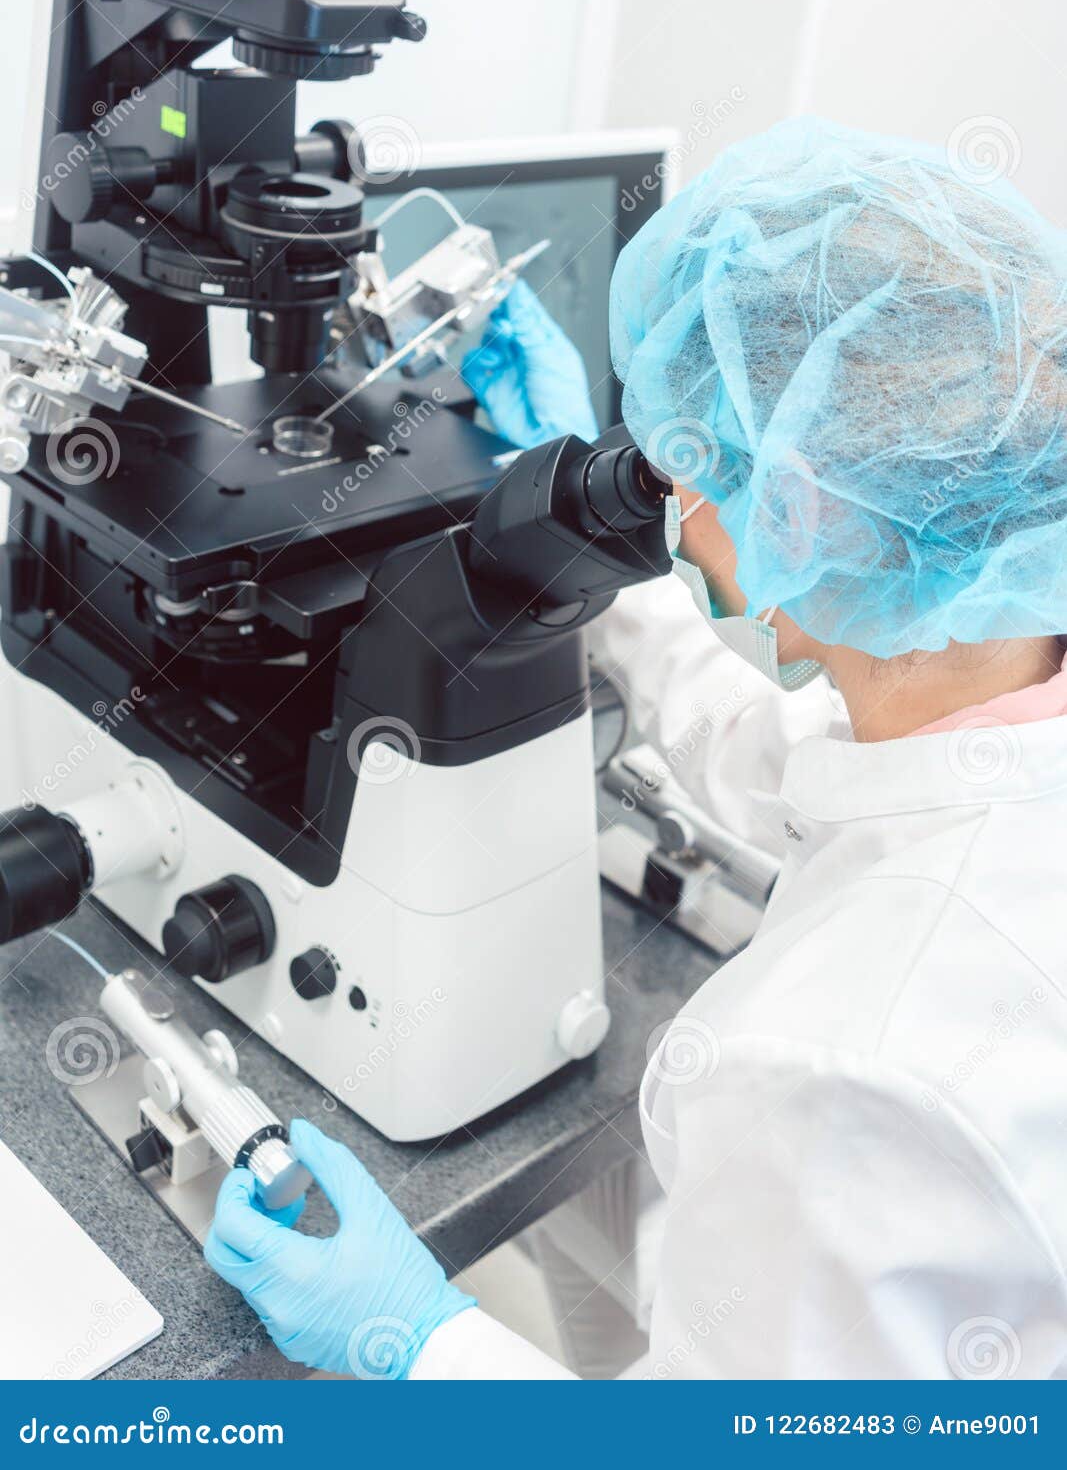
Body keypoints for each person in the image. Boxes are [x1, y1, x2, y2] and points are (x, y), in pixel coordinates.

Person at [205, 118, 1067, 1380]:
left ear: (800, 509)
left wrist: (415, 1340)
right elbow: (797, 763)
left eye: (684, 464)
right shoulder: (981, 696)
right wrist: (616, 587)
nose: (663, 493)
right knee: (579, 1220)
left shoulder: (833, 1062)